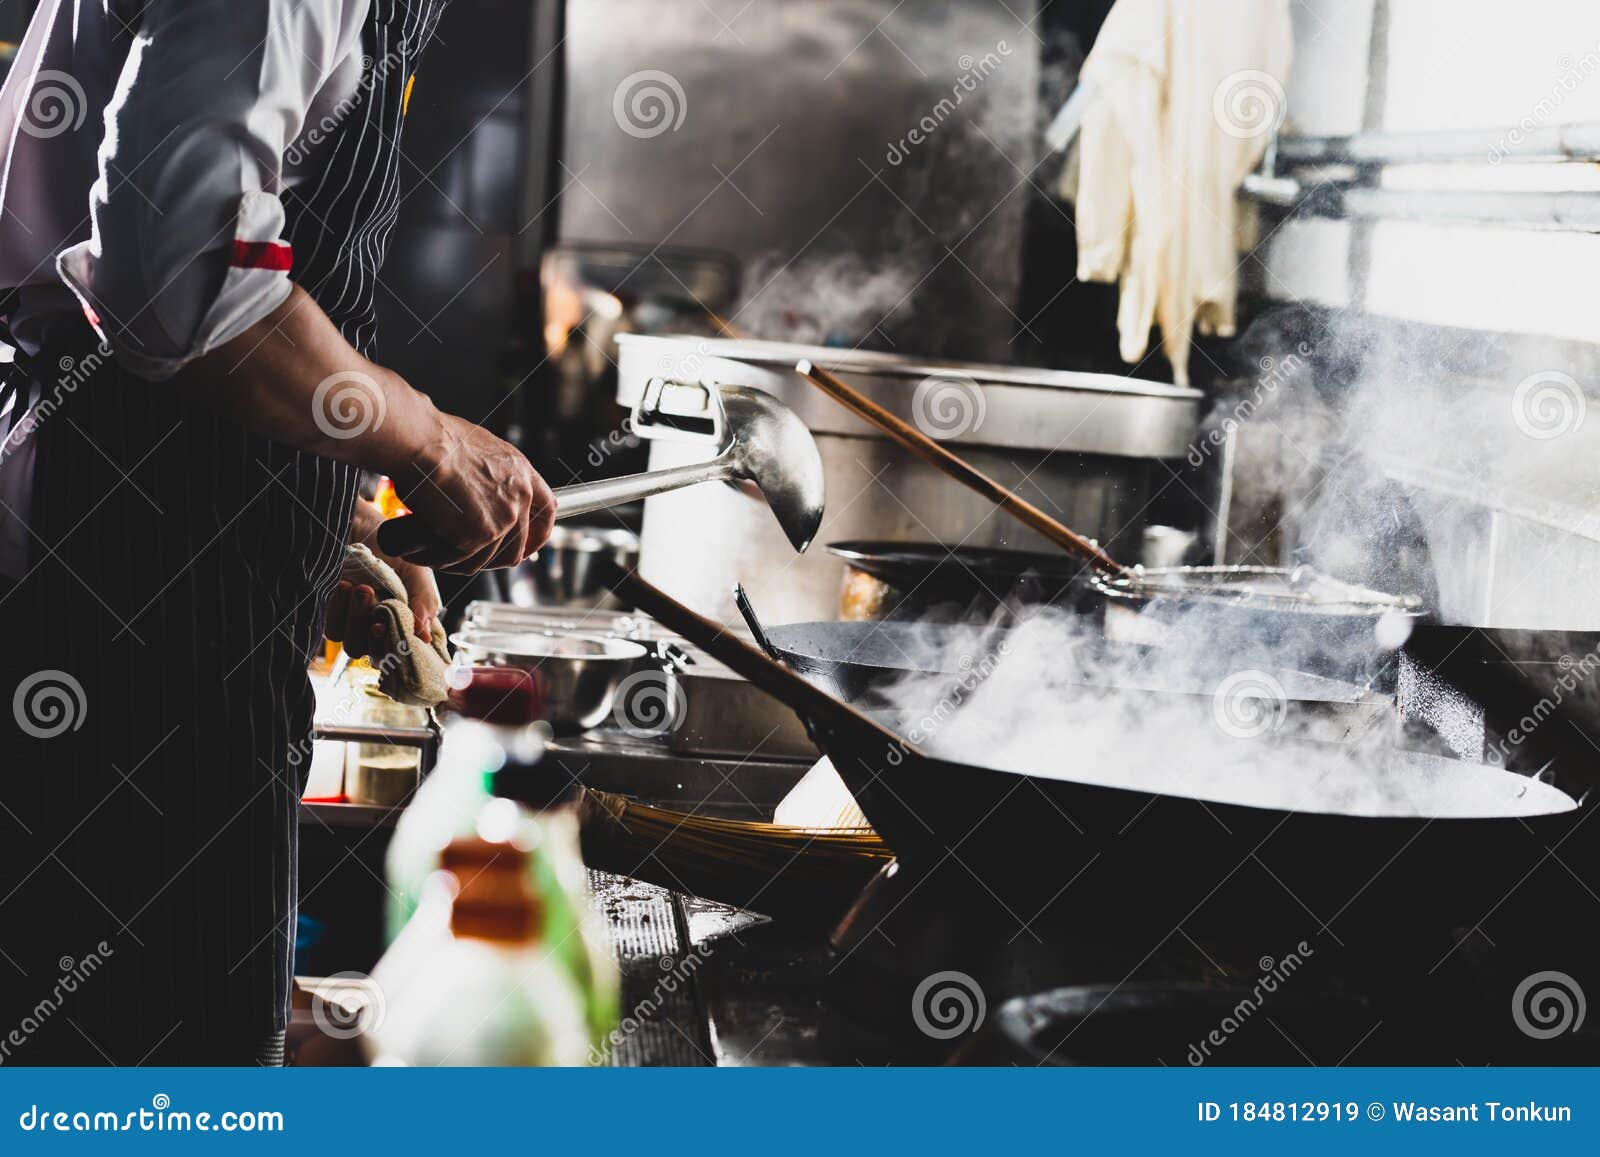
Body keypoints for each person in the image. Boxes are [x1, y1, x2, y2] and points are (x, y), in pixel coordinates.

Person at [0, 1, 553, 1063]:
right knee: (153, 1044)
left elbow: (256, 246)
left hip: (184, 524)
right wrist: (427, 443)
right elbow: (175, 274)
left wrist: (321, 502)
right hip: (125, 557)